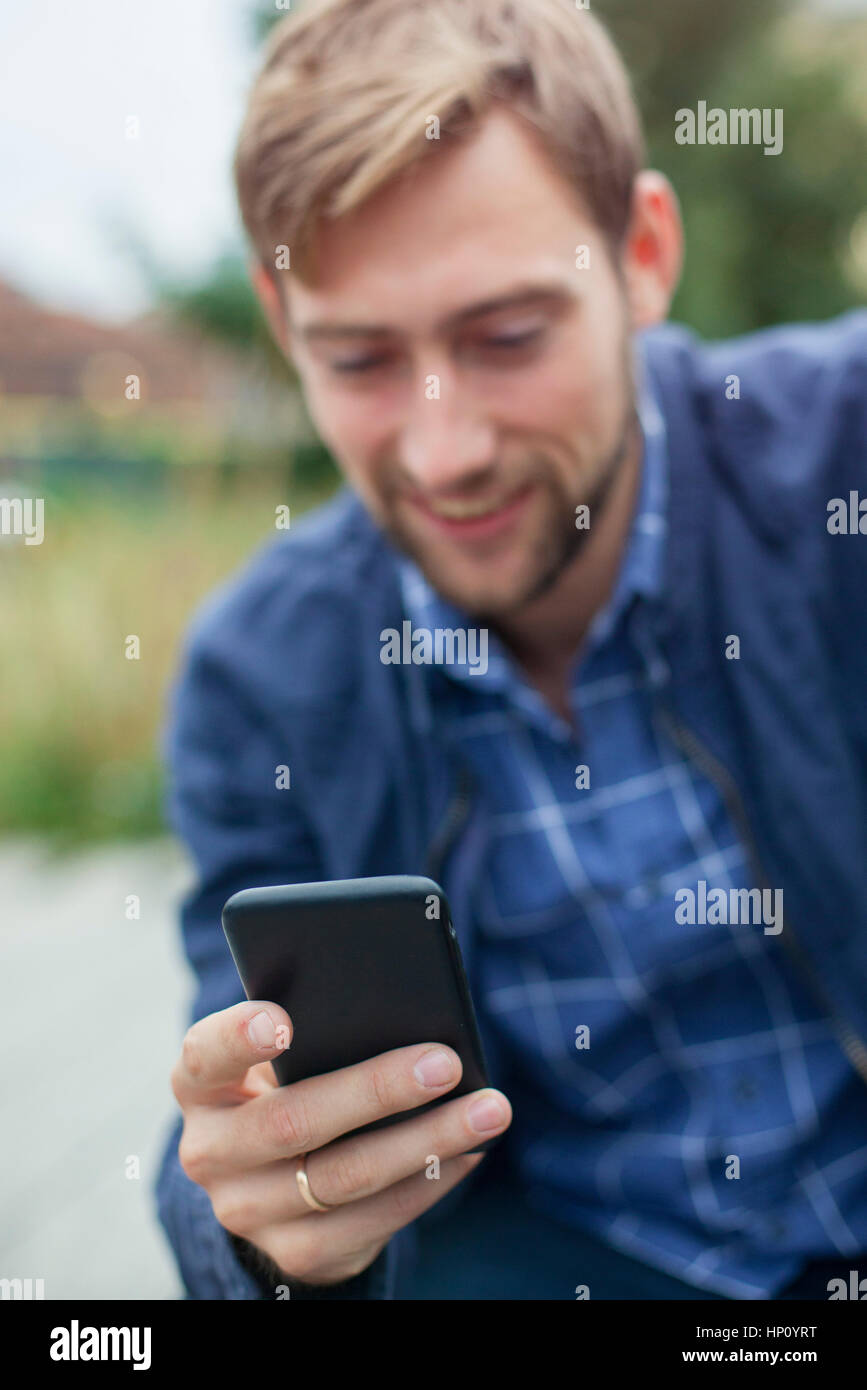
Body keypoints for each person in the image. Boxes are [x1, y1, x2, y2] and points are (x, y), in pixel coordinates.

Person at [156, 0, 867, 1300]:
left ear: (644, 252)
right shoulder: (259, 677)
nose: (446, 452)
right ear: (280, 317)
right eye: (361, 358)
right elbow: (227, 1099)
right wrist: (260, 1227)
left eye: (508, 338)